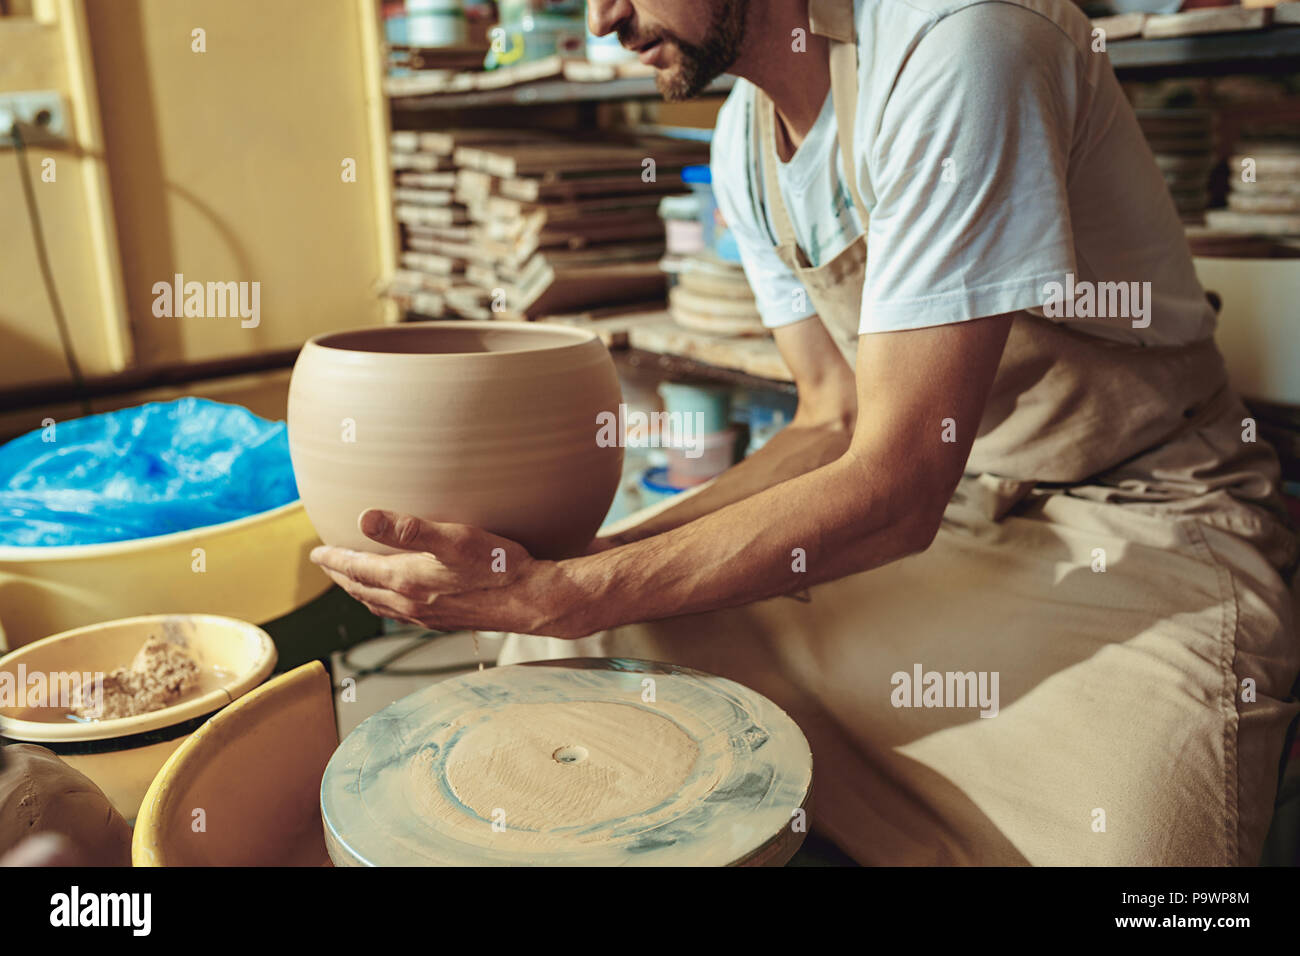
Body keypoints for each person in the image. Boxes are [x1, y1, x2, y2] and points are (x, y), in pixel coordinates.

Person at [312, 0, 1299, 864]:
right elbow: (831, 418)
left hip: (1144, 518)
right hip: (956, 515)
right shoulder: (744, 138)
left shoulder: (959, 45)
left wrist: (570, 592)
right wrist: (593, 564)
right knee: (583, 654)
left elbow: (897, 479)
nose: (602, 20)